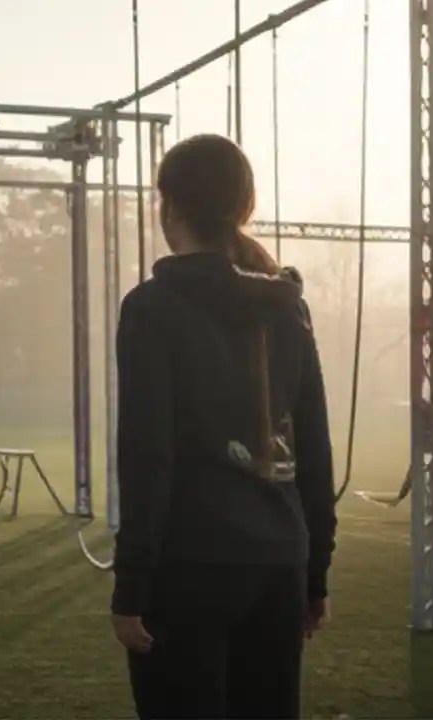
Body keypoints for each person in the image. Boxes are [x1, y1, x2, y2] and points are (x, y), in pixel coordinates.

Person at [109, 133, 337, 719]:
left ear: (171, 207)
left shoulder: (152, 308)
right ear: (243, 208)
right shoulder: (289, 306)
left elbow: (147, 456)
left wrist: (132, 586)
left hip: (189, 571)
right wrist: (314, 575)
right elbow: (313, 448)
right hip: (280, 565)